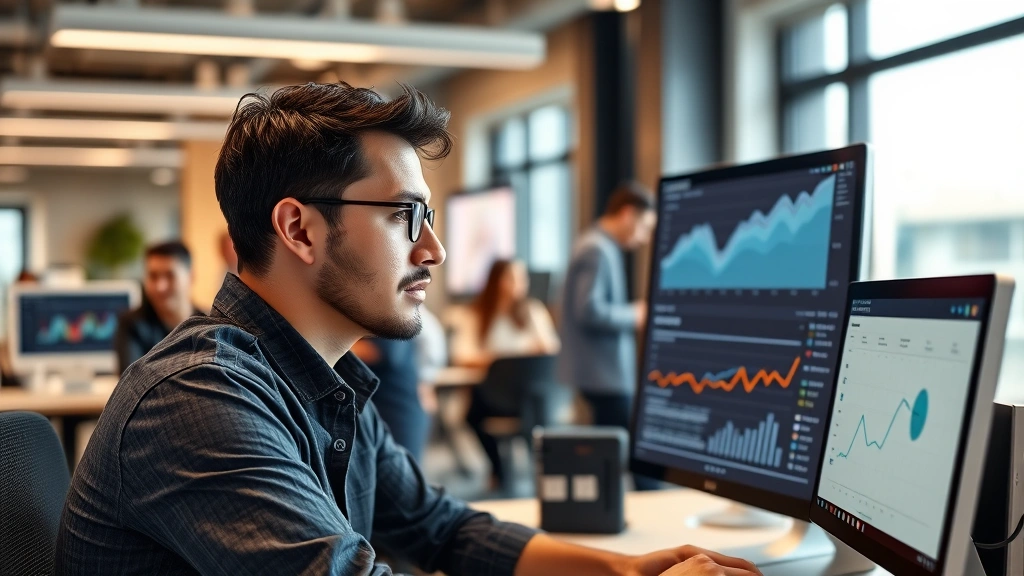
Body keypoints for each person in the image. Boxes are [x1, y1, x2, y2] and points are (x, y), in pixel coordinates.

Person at [55, 82, 758, 576]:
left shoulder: (324, 385)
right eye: (404, 217)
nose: (434, 251)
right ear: (299, 227)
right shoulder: (196, 400)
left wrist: (629, 572)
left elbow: (444, 529)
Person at [559, 181, 659, 490]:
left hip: (601, 373)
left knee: (611, 454)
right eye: (643, 227)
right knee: (636, 456)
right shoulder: (596, 249)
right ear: (628, 214)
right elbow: (588, 310)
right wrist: (636, 314)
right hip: (605, 374)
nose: (643, 239)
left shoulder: (596, 245)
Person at [450, 259, 560, 490]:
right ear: (496, 281)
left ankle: (528, 474)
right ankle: (501, 470)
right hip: (495, 397)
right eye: (512, 277)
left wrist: (505, 359)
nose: (519, 283)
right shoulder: (475, 314)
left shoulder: (533, 312)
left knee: (530, 405)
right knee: (472, 414)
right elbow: (462, 357)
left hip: (529, 399)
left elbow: (550, 352)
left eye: (522, 277)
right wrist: (505, 360)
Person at [113, 241, 203, 375]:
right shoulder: (132, 324)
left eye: (170, 275)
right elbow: (131, 382)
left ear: (191, 277)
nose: (160, 287)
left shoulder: (208, 324)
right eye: (153, 276)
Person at [350, 336, 428, 462]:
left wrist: (329, 346)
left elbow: (387, 352)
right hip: (370, 407)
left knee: (402, 473)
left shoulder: (392, 322)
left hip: (398, 409)